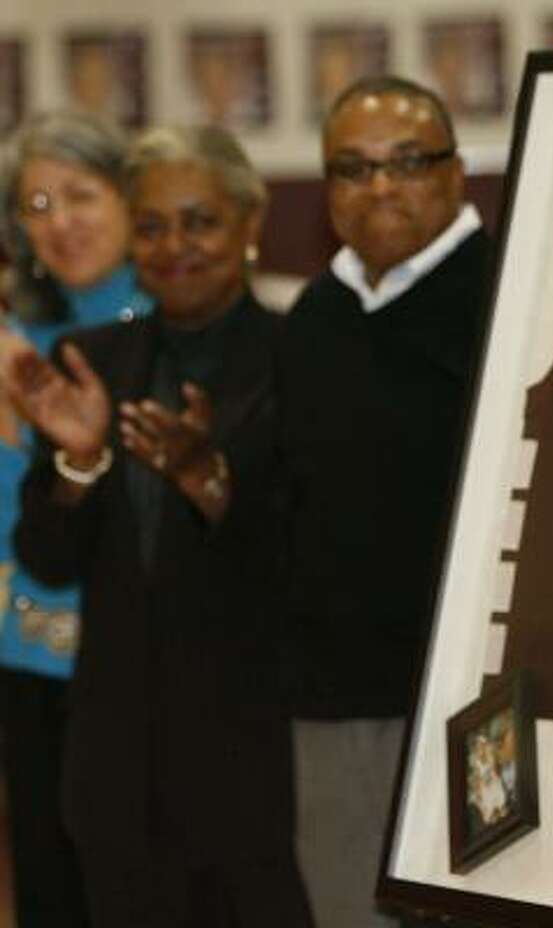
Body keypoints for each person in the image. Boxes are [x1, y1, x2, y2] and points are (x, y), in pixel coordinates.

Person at [8, 125, 311, 927]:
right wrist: (75, 462)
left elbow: (308, 564)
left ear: (250, 223)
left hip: (254, 774)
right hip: (115, 775)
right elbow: (45, 556)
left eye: (199, 221)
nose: (174, 245)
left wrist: (209, 483)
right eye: (151, 225)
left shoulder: (301, 357)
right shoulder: (91, 360)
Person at [277, 75, 490, 927]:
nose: (380, 188)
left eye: (406, 162)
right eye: (354, 169)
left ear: (456, 171)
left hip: (481, 698)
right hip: (338, 704)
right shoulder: (314, 315)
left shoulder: (517, 290)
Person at [0, 108, 152, 928]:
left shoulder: (181, 321)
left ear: (130, 196)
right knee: (53, 888)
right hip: (29, 659)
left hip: (147, 669)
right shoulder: (18, 341)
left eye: (80, 194)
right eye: (36, 205)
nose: (60, 222)